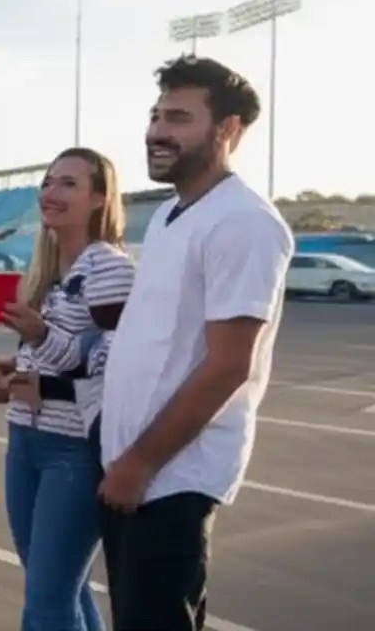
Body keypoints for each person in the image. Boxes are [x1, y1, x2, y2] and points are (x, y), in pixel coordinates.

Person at [98, 55, 293, 631]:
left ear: (226, 129)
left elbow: (229, 365)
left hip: (173, 476)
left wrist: (140, 462)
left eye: (179, 118)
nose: (158, 131)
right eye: (157, 115)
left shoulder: (244, 223)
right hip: (130, 466)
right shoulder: (167, 217)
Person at [0, 147, 133, 631]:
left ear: (99, 199)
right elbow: (66, 355)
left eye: (69, 184)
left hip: (72, 450)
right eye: (49, 182)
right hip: (25, 438)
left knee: (46, 605)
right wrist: (17, 369)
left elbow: (111, 367)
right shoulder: (50, 272)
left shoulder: (110, 268)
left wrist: (39, 337)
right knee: (58, 593)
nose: (51, 193)